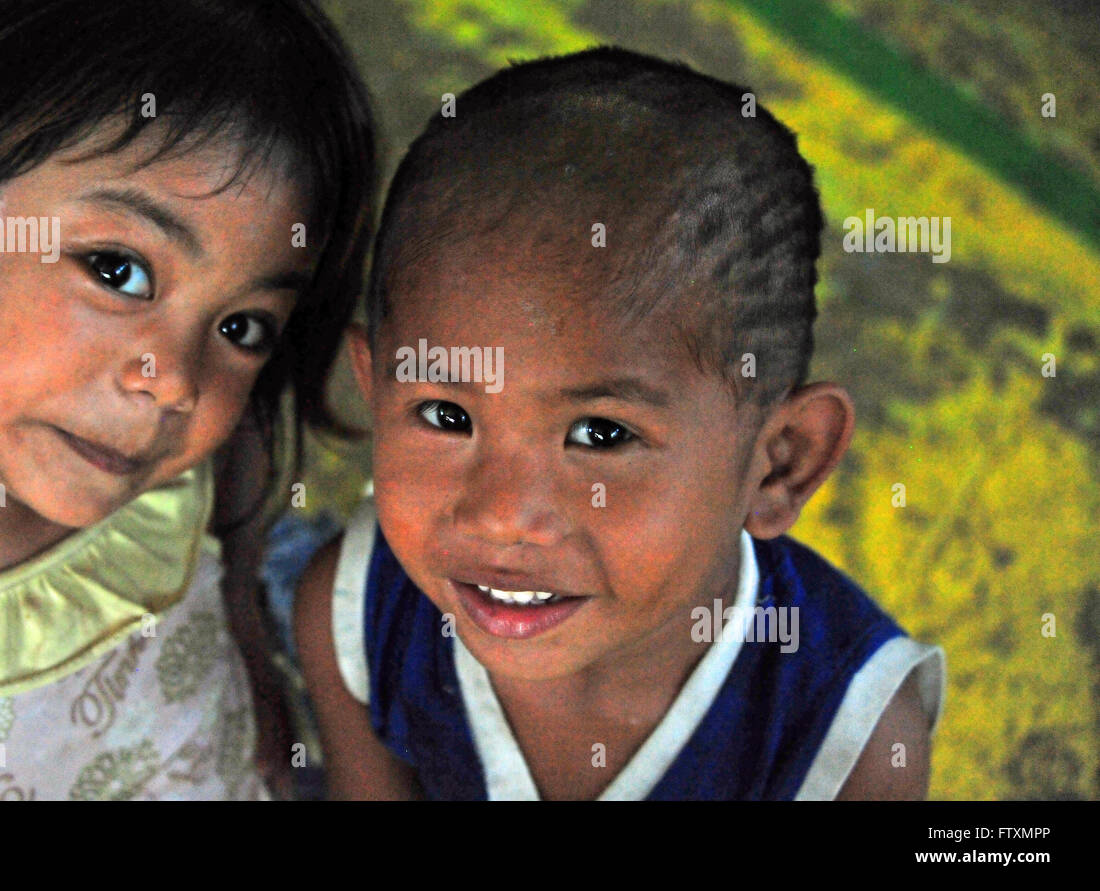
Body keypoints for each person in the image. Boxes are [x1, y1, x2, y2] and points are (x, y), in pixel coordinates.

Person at [0, 0, 375, 800]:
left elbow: (232, 528)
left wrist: (256, 666)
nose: (176, 381)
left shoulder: (179, 465)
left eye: (243, 325)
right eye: (117, 271)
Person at [295, 47, 945, 800]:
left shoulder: (846, 743)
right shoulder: (357, 610)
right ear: (376, 389)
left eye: (600, 435)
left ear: (780, 464)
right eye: (446, 415)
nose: (504, 516)